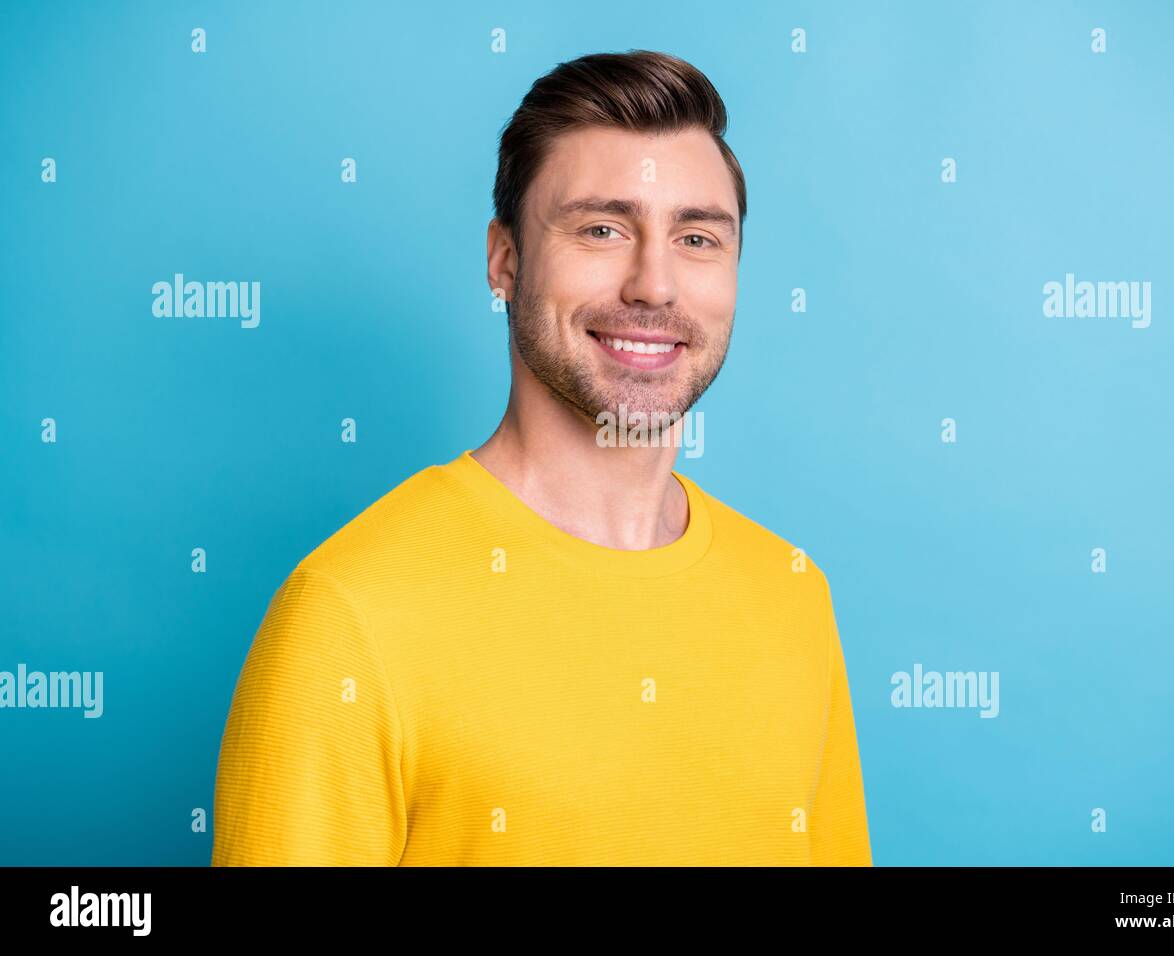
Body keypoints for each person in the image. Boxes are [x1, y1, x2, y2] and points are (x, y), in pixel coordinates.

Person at [212, 49, 870, 866]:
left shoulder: (794, 593)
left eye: (697, 237)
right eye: (602, 228)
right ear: (505, 261)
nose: (654, 285)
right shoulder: (349, 616)